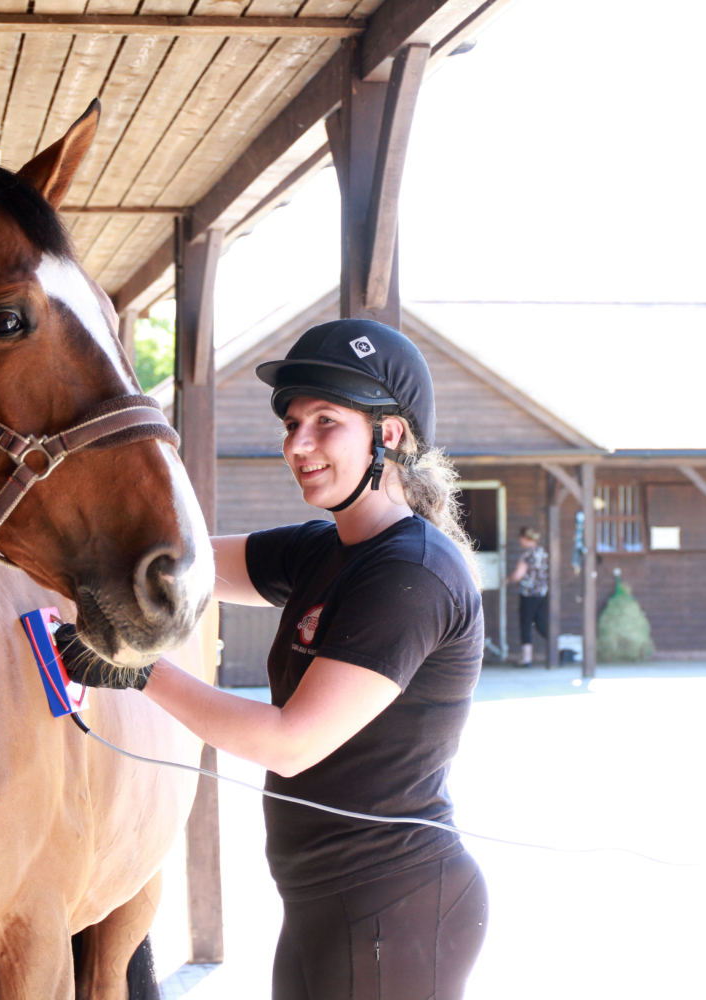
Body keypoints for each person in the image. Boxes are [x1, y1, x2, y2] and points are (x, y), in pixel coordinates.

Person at [63, 319, 488, 1000]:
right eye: (292, 424)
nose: (299, 445)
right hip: (322, 901)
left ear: (390, 435)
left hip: (393, 905)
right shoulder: (325, 550)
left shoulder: (412, 574)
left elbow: (291, 743)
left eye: (326, 422)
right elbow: (185, 569)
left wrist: (140, 670)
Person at [507, 526, 549, 666]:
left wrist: (507, 580)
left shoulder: (526, 555)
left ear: (525, 538)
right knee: (542, 624)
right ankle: (559, 649)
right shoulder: (542, 553)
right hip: (542, 593)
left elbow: (518, 575)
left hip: (528, 594)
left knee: (525, 624)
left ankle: (527, 658)